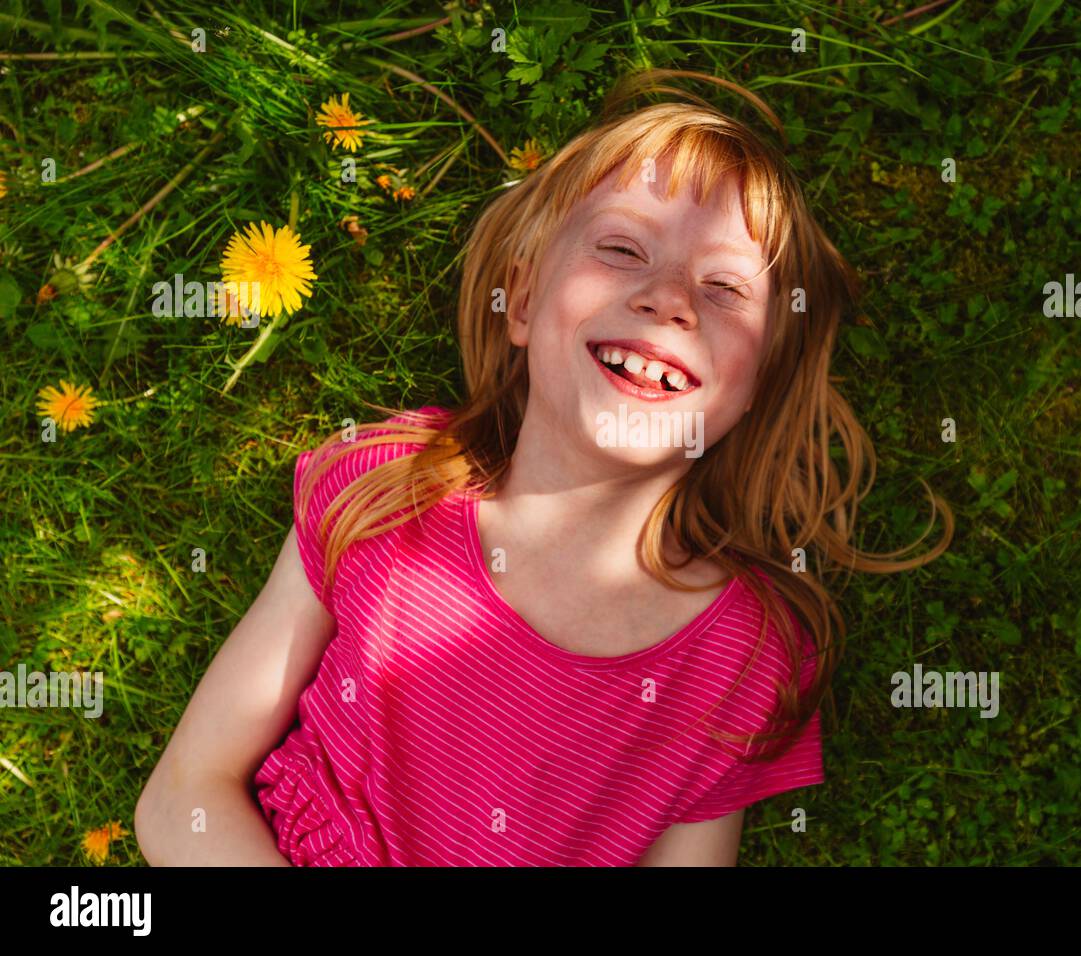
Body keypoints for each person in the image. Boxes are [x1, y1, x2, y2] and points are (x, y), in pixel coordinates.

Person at [135, 68, 954, 867]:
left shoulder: (739, 658)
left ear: (754, 389)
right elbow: (184, 797)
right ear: (521, 302)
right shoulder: (385, 489)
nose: (670, 297)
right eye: (623, 246)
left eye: (726, 289)